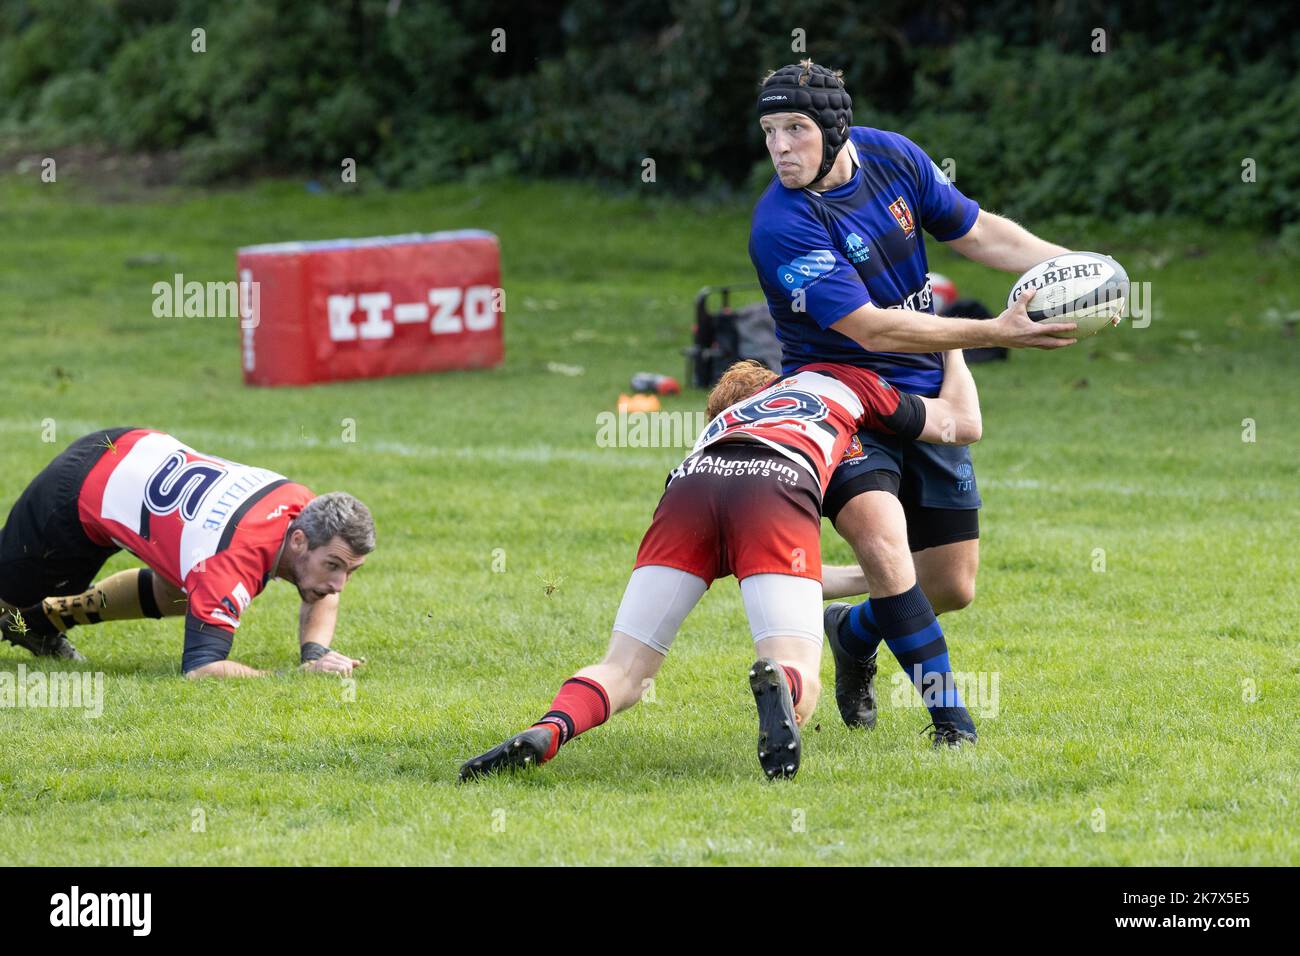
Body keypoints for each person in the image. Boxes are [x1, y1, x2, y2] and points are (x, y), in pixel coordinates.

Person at [460, 350, 980, 783]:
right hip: (778, 482)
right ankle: (786, 681)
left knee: (626, 671)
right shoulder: (841, 381)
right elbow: (962, 423)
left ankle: (551, 728)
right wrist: (953, 345)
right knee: (799, 669)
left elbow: (770, 569)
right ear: (774, 385)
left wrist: (875, 580)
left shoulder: (722, 425)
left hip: (689, 485)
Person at [750, 59, 1076, 737]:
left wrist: (1070, 267)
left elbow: (979, 231)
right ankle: (954, 728)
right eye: (769, 130)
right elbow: (869, 327)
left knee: (950, 586)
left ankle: (851, 629)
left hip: (927, 393)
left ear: (835, 129)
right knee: (886, 549)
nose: (780, 146)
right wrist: (996, 331)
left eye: (796, 128)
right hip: (844, 404)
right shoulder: (781, 225)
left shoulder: (895, 158)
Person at [0, 427, 373, 678]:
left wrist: (315, 653)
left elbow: (322, 588)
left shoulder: (302, 507)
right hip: (75, 489)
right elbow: (201, 670)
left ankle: (44, 625)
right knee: (9, 600)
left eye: (350, 571)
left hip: (131, 446)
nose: (339, 584)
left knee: (181, 597)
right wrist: (293, 676)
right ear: (298, 542)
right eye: (334, 565)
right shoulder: (228, 564)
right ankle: (31, 617)